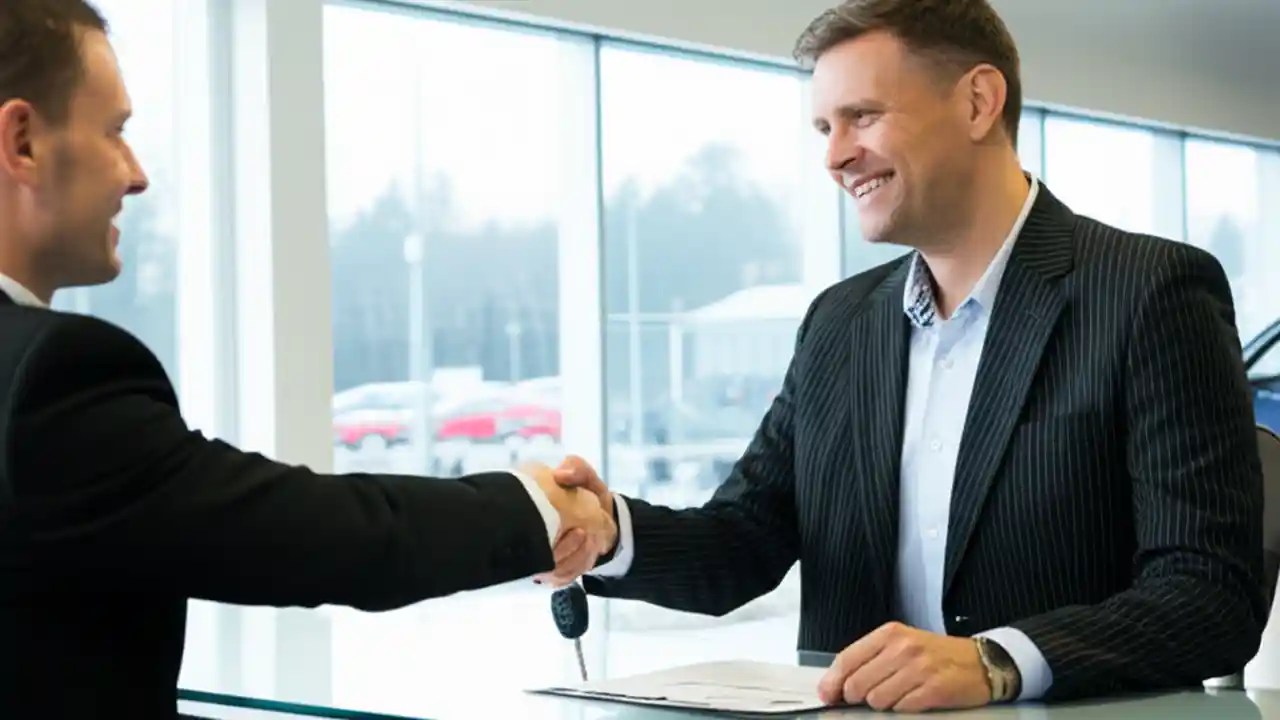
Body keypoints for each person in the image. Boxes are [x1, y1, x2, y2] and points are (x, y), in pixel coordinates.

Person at [548, 0, 1268, 712]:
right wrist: (613, 532)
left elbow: (1208, 596)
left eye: (862, 117)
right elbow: (745, 541)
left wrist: (996, 661)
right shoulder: (840, 323)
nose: (834, 156)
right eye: (825, 127)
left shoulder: (1148, 293)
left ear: (980, 102)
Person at [0, 1, 615, 717]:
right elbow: (319, 535)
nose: (135, 175)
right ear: (23, 143)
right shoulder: (48, 378)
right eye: (116, 131)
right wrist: (535, 507)